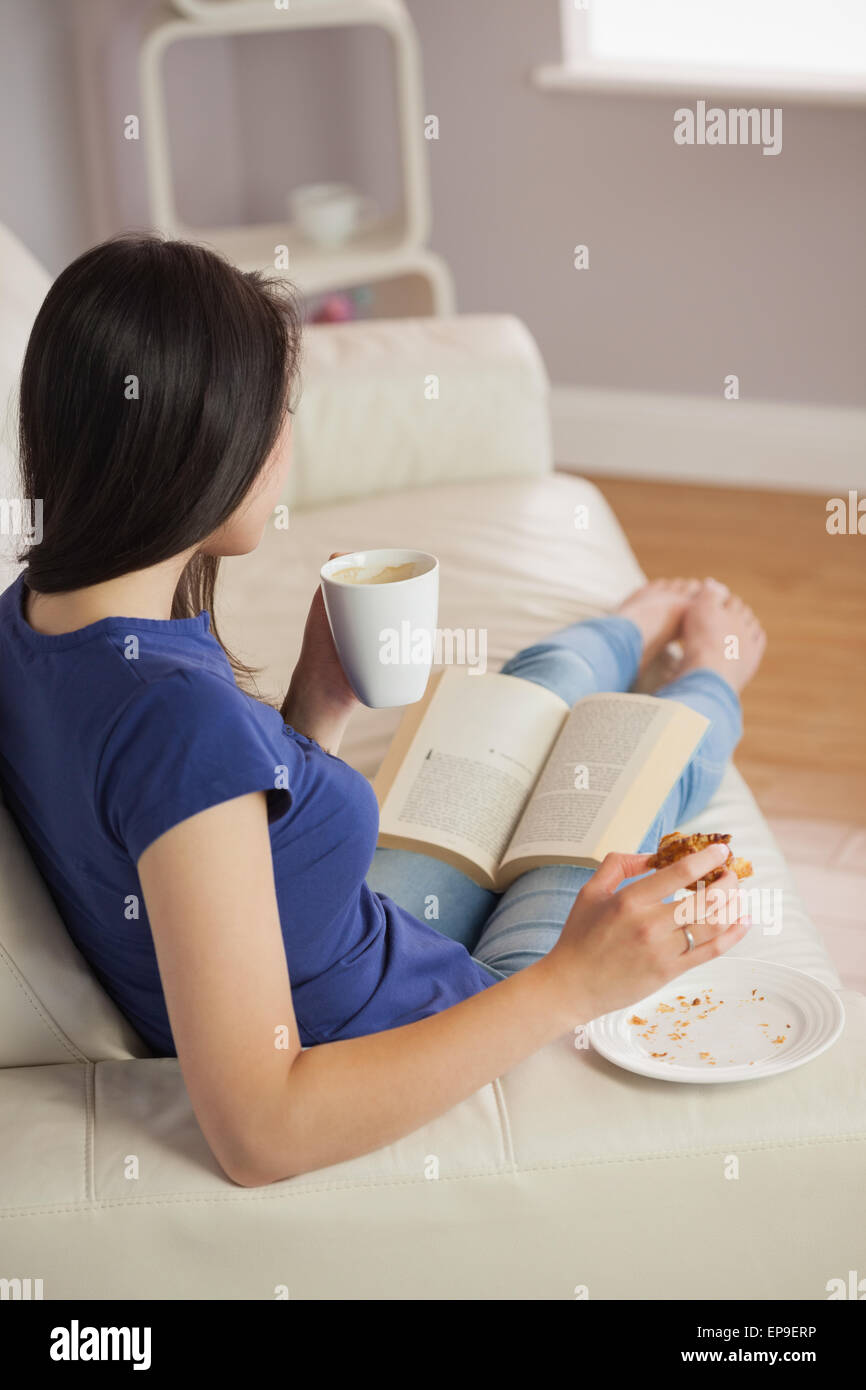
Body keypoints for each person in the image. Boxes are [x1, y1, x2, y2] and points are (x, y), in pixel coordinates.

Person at [0, 234, 764, 1188]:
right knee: (622, 768)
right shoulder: (170, 716)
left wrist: (314, 708)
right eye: (282, 415)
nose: (287, 442)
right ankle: (713, 676)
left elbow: (206, 834)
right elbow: (261, 1130)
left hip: (358, 921)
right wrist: (568, 983)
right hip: (449, 1023)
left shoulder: (35, 623)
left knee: (509, 720)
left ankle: (617, 632)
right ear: (210, 439)